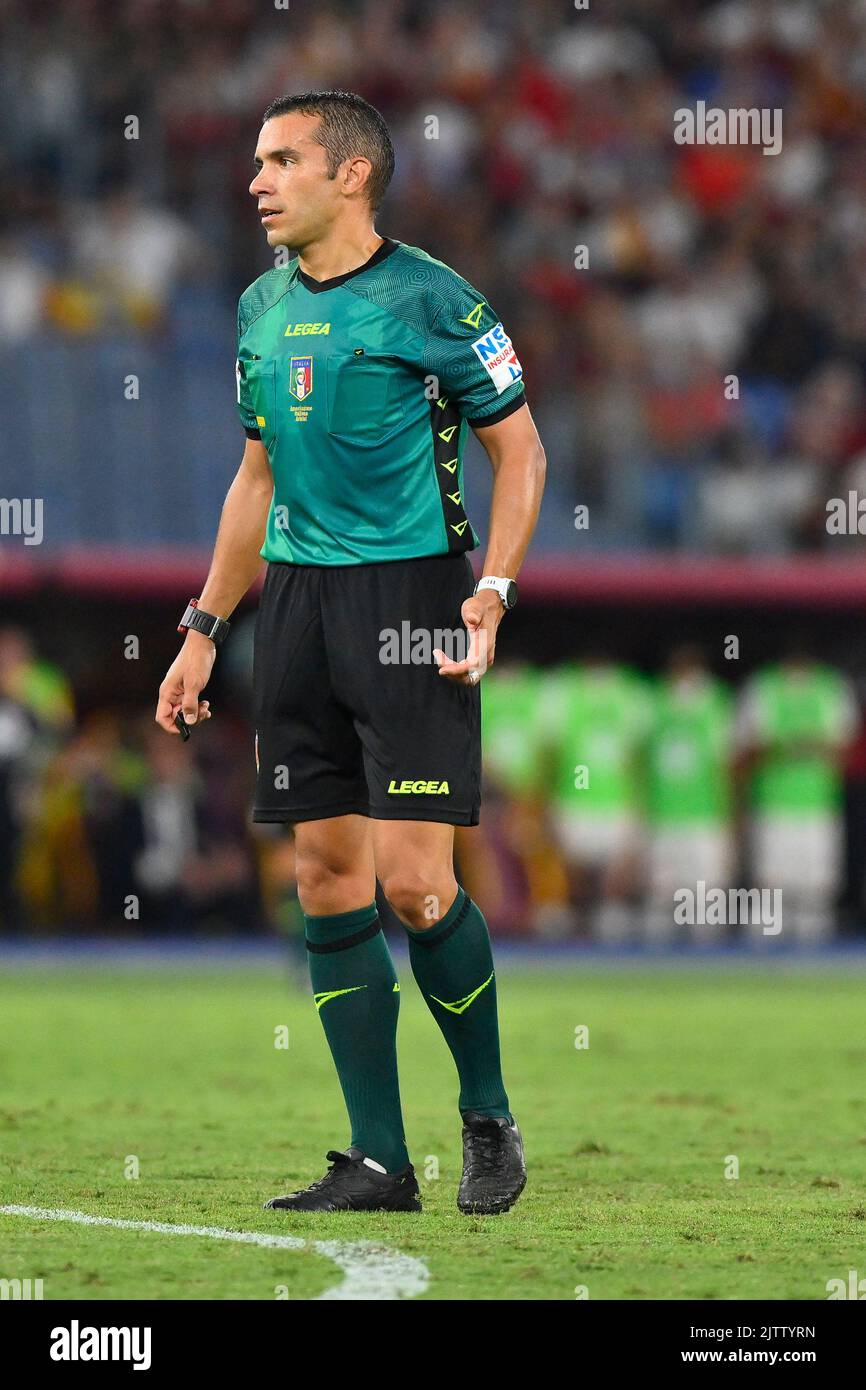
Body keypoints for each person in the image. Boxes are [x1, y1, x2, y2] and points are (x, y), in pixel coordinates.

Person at [155, 91, 545, 1215]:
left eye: (282, 160)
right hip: (296, 609)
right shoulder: (259, 307)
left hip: (415, 600)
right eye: (257, 161)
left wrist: (491, 591)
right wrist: (201, 627)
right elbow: (255, 478)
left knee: (418, 885)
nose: (257, 181)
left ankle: (485, 1115)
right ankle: (378, 1158)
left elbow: (518, 454)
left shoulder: (433, 298)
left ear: (351, 176)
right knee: (325, 876)